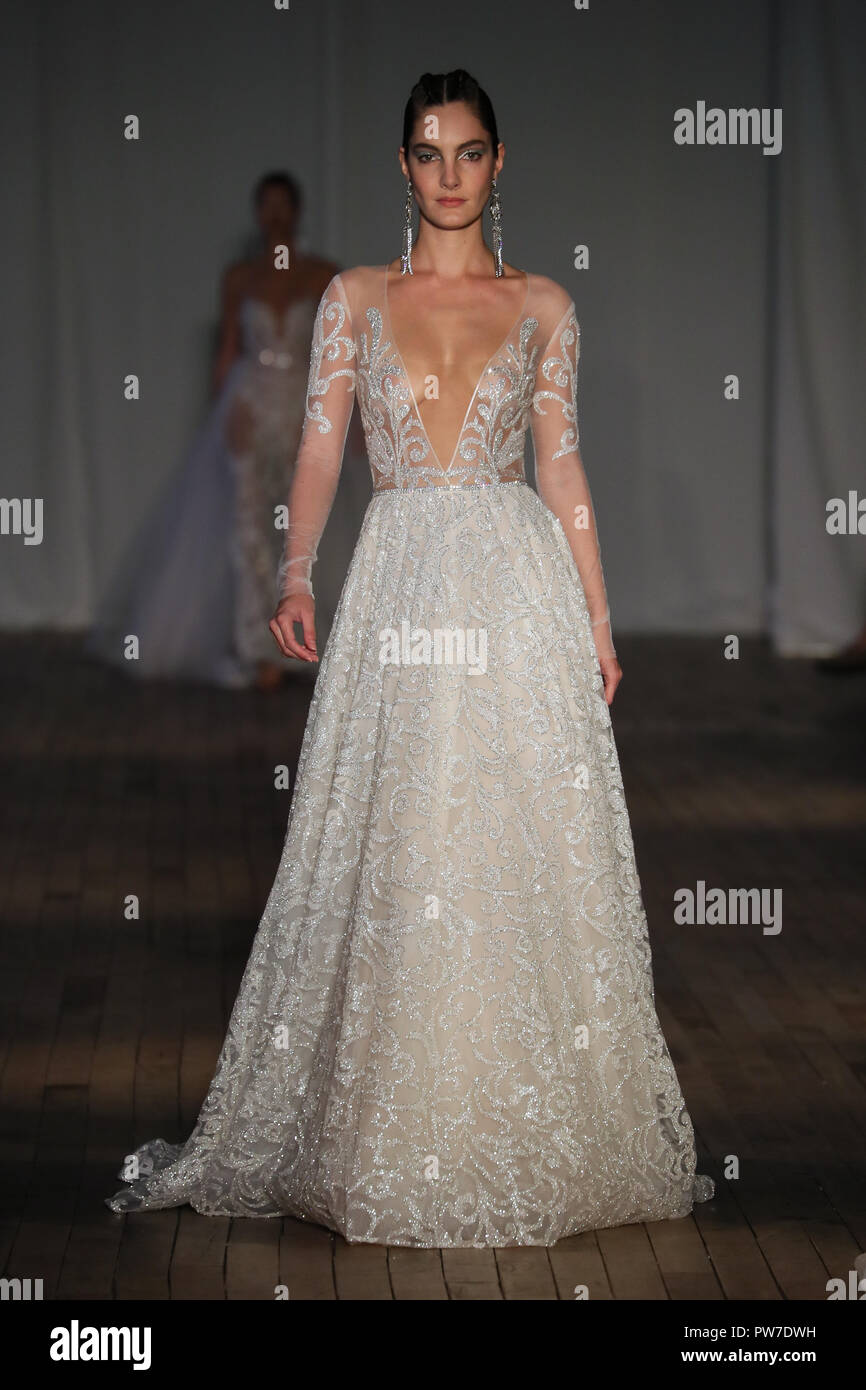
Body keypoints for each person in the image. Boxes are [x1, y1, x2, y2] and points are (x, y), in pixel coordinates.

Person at [106, 70, 714, 1246]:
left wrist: (595, 618)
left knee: (511, 840)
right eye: (427, 153)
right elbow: (322, 447)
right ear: (401, 165)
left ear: (499, 162)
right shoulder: (351, 298)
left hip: (512, 583)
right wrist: (294, 569)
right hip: (396, 582)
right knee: (396, 836)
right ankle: (389, 1117)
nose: (448, 174)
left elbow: (563, 467)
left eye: (468, 152)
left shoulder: (542, 303)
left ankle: (513, 1113)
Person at [87, 172, 337, 690]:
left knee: (294, 527)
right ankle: (259, 648)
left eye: (280, 204)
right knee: (247, 527)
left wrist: (334, 420)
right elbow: (228, 348)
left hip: (300, 411)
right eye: (264, 204)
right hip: (248, 406)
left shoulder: (320, 276)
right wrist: (218, 416)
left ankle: (301, 641)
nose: (273, 215)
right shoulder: (239, 278)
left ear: (297, 210)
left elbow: (335, 358)